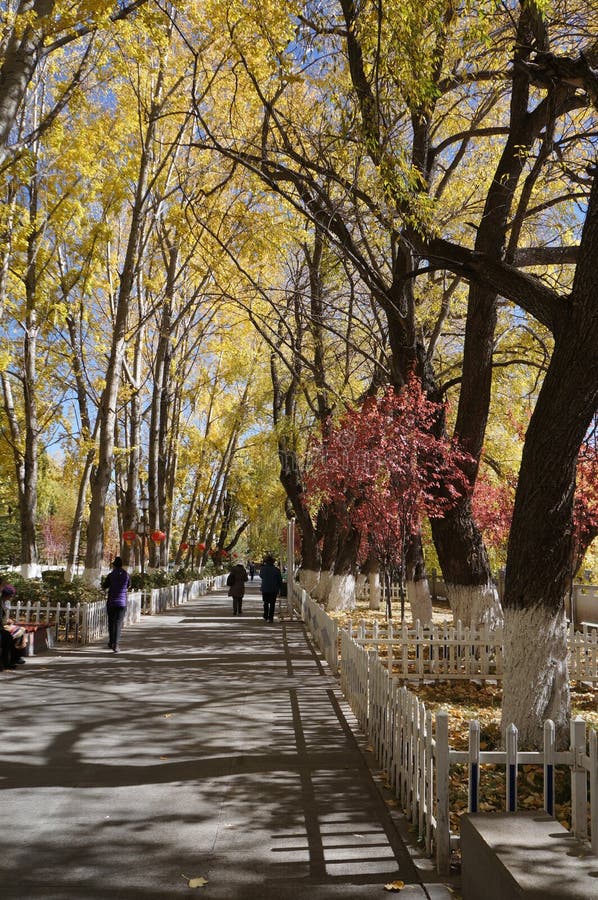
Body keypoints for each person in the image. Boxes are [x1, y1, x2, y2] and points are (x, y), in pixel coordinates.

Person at [101, 557, 130, 653]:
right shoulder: (126, 575)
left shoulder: (111, 575)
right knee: (118, 623)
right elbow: (129, 585)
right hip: (122, 603)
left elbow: (105, 585)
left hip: (111, 602)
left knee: (111, 622)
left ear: (114, 565)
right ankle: (116, 644)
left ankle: (111, 641)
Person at [1, 577, 27, 668]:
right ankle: (14, 658)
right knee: (13, 634)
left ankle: (16, 657)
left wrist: (7, 620)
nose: (12, 597)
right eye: (11, 596)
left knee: (21, 630)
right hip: (2, 627)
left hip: (3, 625)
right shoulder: (1, 602)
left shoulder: (4, 603)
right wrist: (7, 622)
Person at [259, 555, 283, 623]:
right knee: (272, 604)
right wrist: (280, 588)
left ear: (266, 562)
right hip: (274, 589)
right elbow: (279, 580)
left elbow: (261, 576)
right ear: (273, 562)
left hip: (265, 588)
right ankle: (271, 618)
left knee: (266, 602)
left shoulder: (263, 569)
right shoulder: (276, 570)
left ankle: (266, 615)